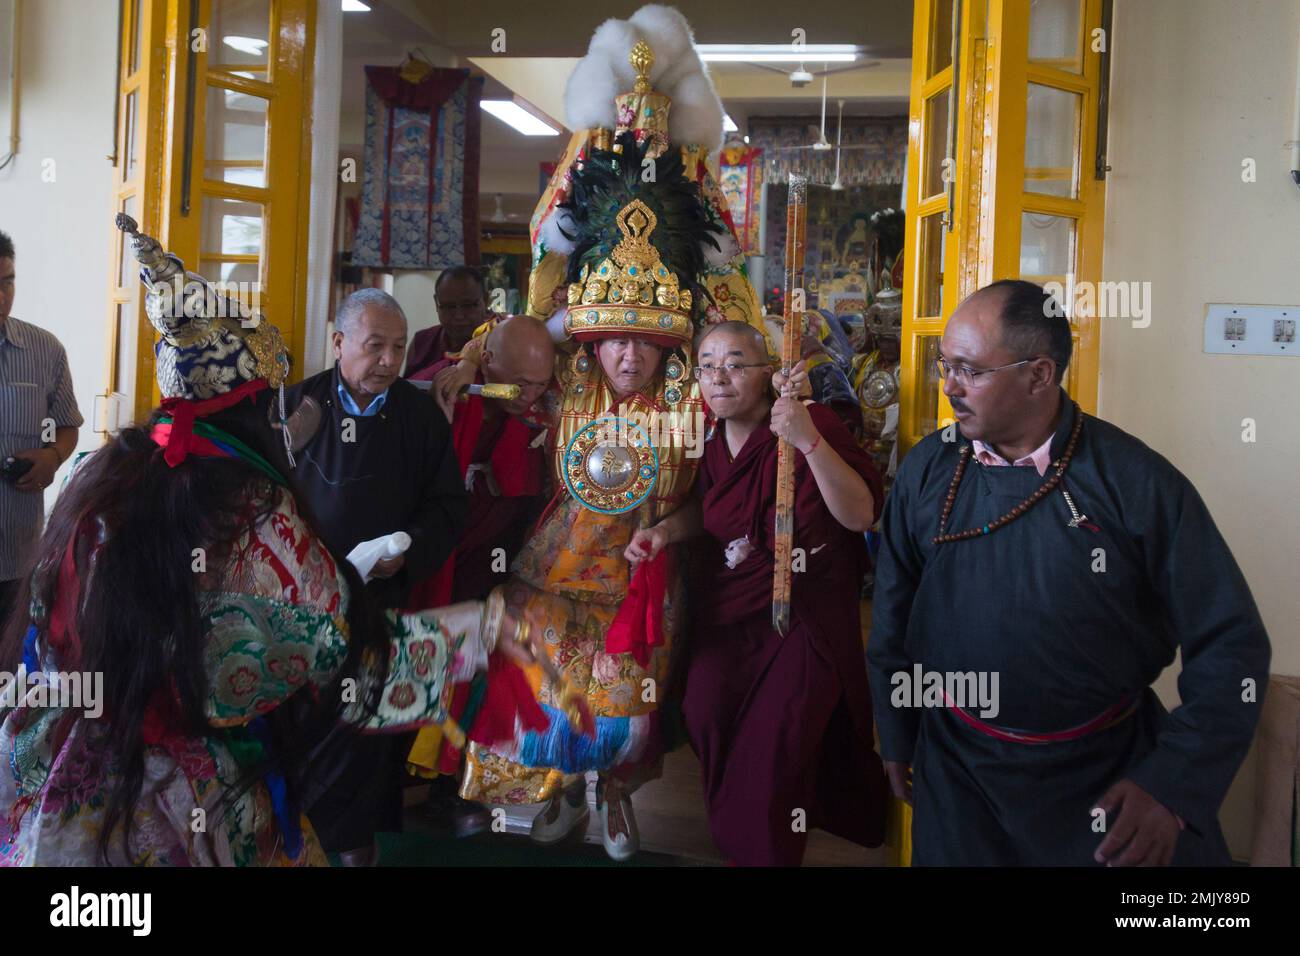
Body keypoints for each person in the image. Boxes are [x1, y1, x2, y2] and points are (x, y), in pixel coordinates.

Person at [0, 218, 543, 866]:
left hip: (69, 774)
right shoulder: (254, 514)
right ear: (256, 409)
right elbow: (335, 650)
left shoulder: (101, 485)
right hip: (181, 798)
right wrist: (475, 633)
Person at [867, 279, 1271, 866]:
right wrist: (897, 731)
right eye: (944, 364)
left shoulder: (1134, 482)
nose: (948, 385)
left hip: (1103, 777)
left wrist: (1174, 787)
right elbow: (892, 615)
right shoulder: (930, 469)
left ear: (1038, 375)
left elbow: (1232, 644)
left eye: (970, 370)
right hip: (957, 771)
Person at [625, 320, 887, 865]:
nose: (720, 377)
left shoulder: (805, 420)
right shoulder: (710, 436)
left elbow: (860, 512)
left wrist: (807, 440)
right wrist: (663, 532)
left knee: (771, 750)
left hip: (801, 617)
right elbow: (716, 508)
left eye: (737, 363)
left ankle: (761, 849)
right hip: (731, 613)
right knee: (704, 713)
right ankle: (745, 834)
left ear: (768, 371)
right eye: (708, 365)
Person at [286, 287, 467, 863]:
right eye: (375, 347)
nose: (389, 360)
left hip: (381, 604)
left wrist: (407, 549)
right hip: (300, 611)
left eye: (397, 347)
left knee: (364, 742)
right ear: (338, 343)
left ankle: (357, 854)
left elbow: (447, 508)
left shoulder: (418, 416)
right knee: (298, 737)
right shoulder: (296, 410)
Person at [406, 315, 555, 836]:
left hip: (495, 557)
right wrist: (465, 365)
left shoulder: (537, 405)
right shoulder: (444, 390)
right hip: (431, 557)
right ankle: (399, 778)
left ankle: (450, 785)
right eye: (520, 383)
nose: (529, 395)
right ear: (488, 362)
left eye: (540, 383)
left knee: (473, 668)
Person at [0, 230, 82, 624]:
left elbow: (66, 425)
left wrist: (52, 455)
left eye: (8, 282)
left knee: (10, 672)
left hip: (19, 552)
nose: (2, 297)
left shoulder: (45, 350)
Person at [404, 267, 497, 379]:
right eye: (448, 306)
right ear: (436, 303)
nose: (459, 316)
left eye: (468, 305)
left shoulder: (500, 341)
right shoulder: (422, 342)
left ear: (485, 300)